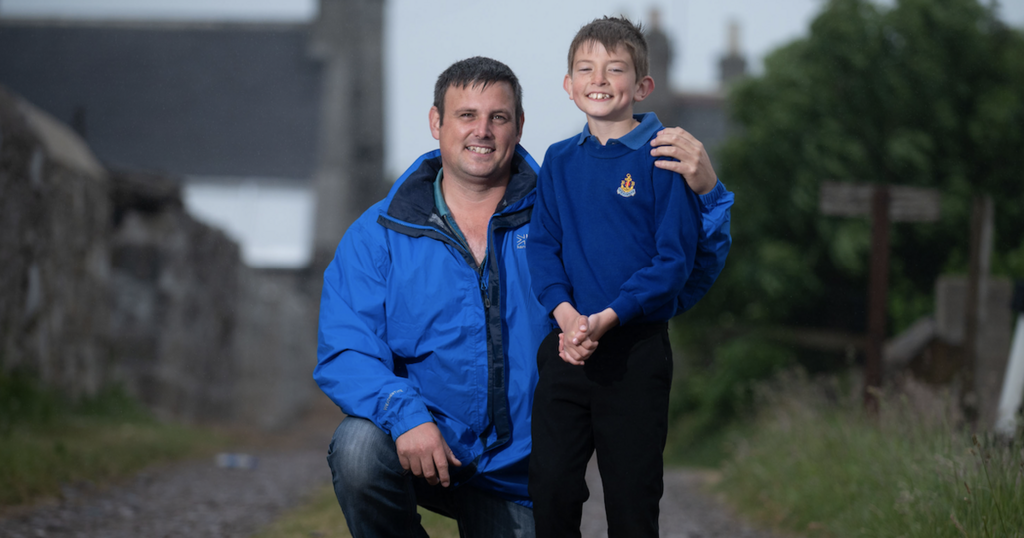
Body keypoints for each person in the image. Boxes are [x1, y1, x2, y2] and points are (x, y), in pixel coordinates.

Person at [314, 56, 731, 538]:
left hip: (518, 478)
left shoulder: (562, 215)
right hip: (423, 446)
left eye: (499, 117)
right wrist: (404, 416)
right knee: (359, 450)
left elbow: (673, 284)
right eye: (466, 115)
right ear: (437, 123)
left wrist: (708, 196)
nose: (482, 131)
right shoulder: (378, 233)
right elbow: (346, 349)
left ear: (520, 125)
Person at [526, 17, 724, 537]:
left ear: (641, 86)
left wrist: (606, 319)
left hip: (635, 352)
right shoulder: (558, 161)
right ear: (568, 86)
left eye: (615, 69)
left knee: (632, 499)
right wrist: (569, 318)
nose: (599, 78)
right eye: (585, 68)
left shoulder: (664, 156)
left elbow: (673, 263)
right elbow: (543, 249)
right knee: (551, 487)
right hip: (567, 346)